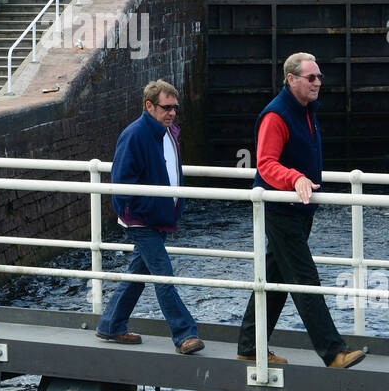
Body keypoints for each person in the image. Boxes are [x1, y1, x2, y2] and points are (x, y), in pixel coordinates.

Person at [236, 53, 365, 369]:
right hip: (281, 209)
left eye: (319, 77)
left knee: (275, 276)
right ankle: (333, 351)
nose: (318, 82)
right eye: (311, 78)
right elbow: (266, 165)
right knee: (305, 279)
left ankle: (250, 346)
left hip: (298, 208)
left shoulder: (305, 111)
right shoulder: (276, 116)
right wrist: (296, 178)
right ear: (291, 79)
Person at [96, 80, 205, 355]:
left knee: (138, 273)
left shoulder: (169, 133)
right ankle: (184, 334)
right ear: (149, 105)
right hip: (142, 220)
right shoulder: (134, 135)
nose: (171, 113)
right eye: (166, 107)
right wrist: (139, 211)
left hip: (158, 217)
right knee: (164, 275)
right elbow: (121, 182)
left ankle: (111, 324)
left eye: (175, 108)